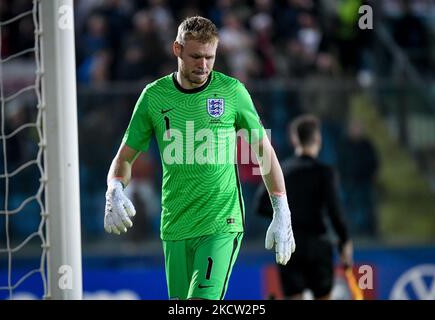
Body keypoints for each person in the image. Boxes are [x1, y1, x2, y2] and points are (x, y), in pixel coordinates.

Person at [103, 16, 295, 300]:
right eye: (195, 56)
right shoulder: (153, 97)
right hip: (175, 226)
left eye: (209, 57)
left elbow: (263, 151)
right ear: (177, 49)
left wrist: (282, 210)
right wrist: (115, 188)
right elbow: (125, 157)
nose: (203, 65)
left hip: (221, 223)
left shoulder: (232, 91)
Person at [255, 114, 352, 300]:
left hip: (290, 244)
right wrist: (345, 242)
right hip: (319, 245)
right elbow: (335, 211)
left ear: (294, 139)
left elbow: (260, 205)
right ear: (318, 139)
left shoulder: (282, 171)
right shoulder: (325, 173)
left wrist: (287, 217)